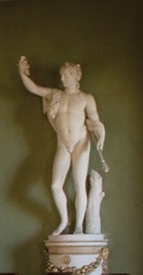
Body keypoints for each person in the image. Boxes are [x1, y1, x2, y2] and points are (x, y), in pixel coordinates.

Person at [19, 56, 107, 235]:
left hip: (81, 143)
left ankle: (78, 227)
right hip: (63, 144)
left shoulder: (86, 98)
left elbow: (96, 122)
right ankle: (64, 221)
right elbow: (34, 88)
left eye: (65, 75)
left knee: (79, 185)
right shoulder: (55, 95)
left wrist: (100, 137)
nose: (61, 78)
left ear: (75, 76)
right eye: (61, 75)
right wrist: (22, 73)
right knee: (55, 185)